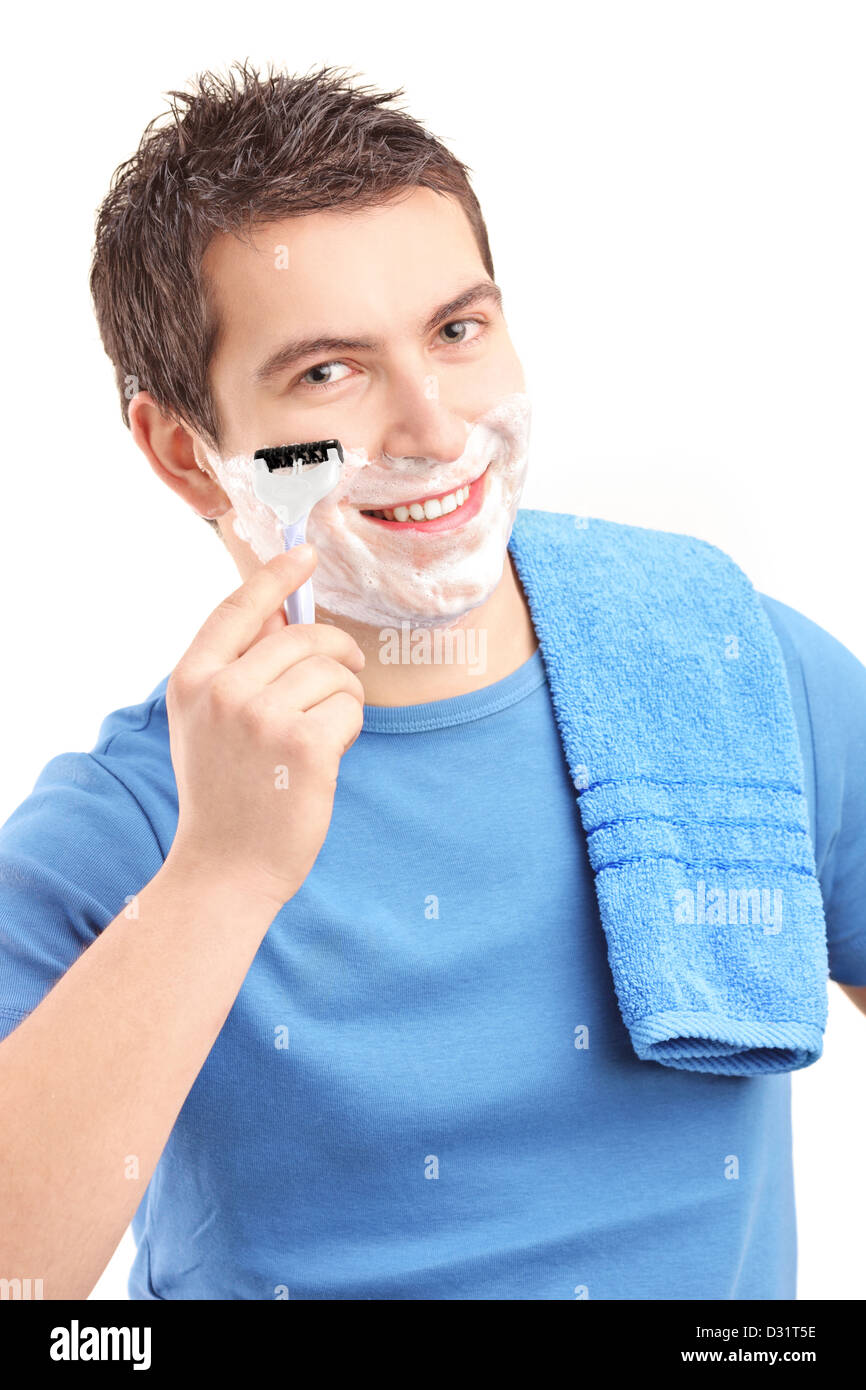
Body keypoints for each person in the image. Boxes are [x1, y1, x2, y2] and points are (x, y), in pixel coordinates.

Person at [0, 62, 863, 1302]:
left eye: (457, 333)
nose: (436, 425)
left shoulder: (728, 670)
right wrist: (220, 877)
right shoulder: (130, 826)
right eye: (326, 374)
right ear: (188, 456)